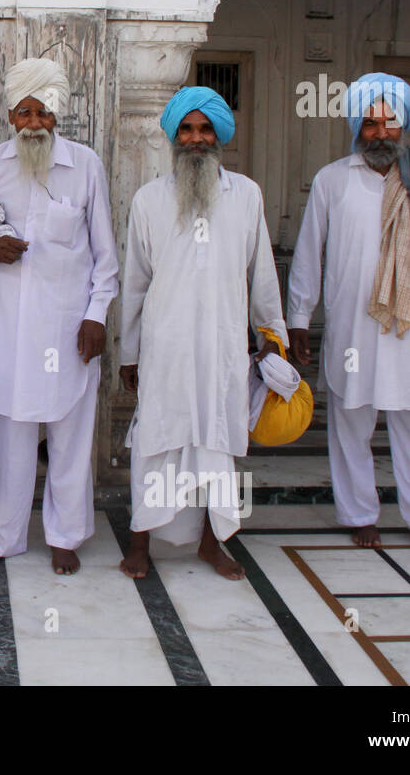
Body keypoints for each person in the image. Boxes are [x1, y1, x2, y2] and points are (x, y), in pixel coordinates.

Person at [287, 72, 410, 556]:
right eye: (370, 124)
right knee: (350, 420)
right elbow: (309, 254)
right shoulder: (332, 180)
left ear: (403, 125)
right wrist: (299, 320)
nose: (381, 133)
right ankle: (359, 513)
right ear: (356, 128)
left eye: (389, 123)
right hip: (353, 327)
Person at [119, 86, 286, 581]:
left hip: (224, 347)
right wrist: (129, 353)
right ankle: (139, 542)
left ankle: (214, 544)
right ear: (174, 136)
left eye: (204, 129)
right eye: (187, 130)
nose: (195, 138)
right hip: (165, 348)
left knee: (219, 441)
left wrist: (271, 333)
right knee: (155, 440)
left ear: (219, 136)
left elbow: (262, 273)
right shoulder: (149, 199)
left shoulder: (247, 195)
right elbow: (134, 283)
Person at [0, 58, 118, 575]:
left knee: (72, 436)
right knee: (7, 436)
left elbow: (105, 256)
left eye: (43, 113)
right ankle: (0, 537)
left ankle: (66, 534)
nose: (34, 123)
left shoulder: (86, 166)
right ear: (10, 115)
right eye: (24, 113)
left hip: (69, 328)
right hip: (6, 328)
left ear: (57, 115)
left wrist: (96, 317)